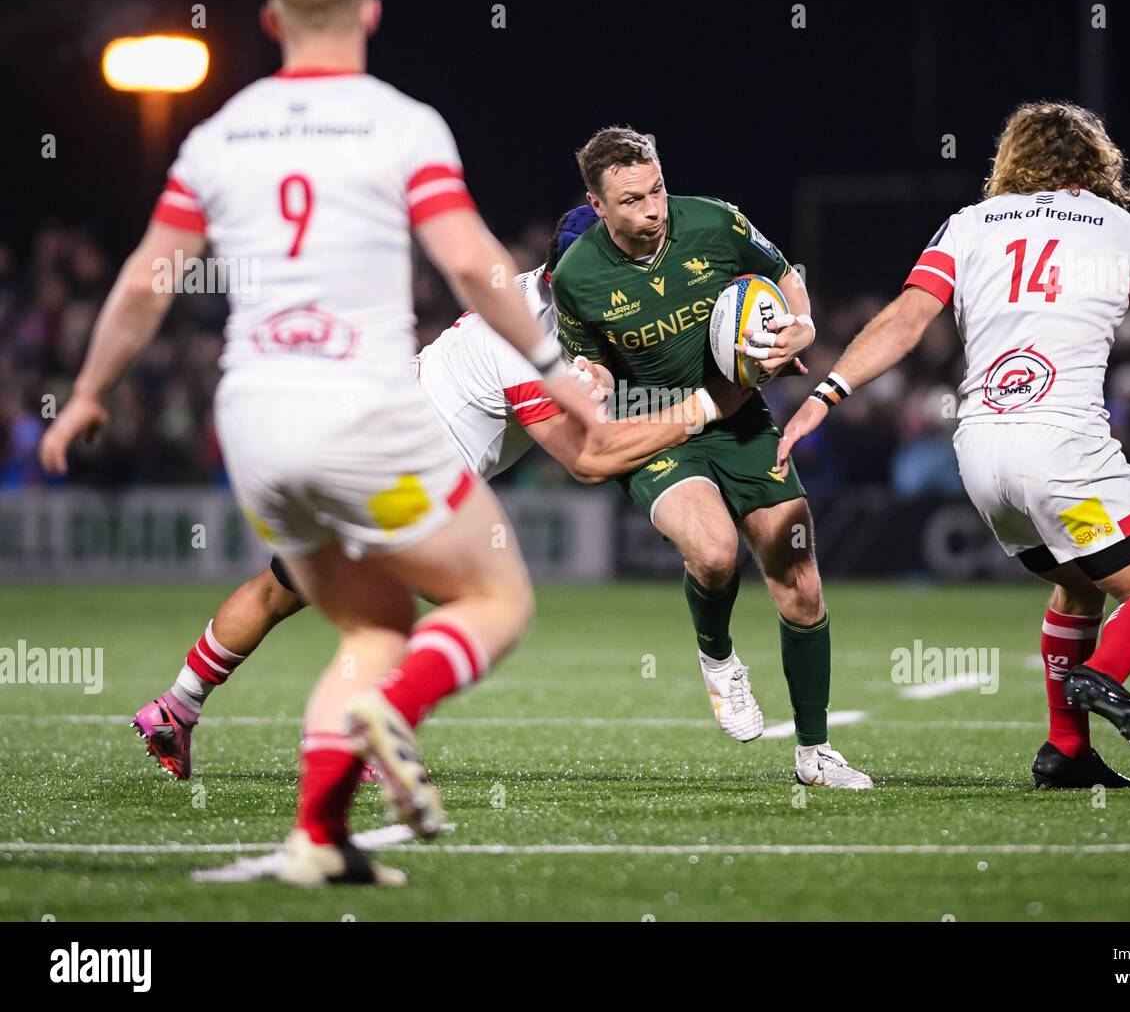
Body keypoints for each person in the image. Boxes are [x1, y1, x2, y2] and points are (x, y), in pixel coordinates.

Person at [40, 0, 602, 886]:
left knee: (372, 620)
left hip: (254, 420)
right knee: (494, 594)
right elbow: (470, 261)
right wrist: (552, 367)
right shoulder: (401, 123)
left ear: (267, 18)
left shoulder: (220, 133)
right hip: (363, 412)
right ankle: (396, 712)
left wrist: (88, 391)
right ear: (371, 12)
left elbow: (146, 275)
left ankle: (317, 836)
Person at [132, 206, 747, 781]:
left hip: (357, 443)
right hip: (405, 471)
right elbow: (587, 460)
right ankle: (365, 729)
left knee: (279, 591)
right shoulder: (533, 339)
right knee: (483, 601)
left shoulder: (547, 298)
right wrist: (711, 403)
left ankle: (176, 708)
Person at [779, 101, 1130, 789]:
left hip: (981, 455)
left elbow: (905, 320)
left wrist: (825, 395)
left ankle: (1066, 751)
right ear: (1098, 163)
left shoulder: (968, 225)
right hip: (1063, 452)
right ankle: (1099, 677)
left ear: (1012, 160)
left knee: (1078, 581)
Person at [550, 126, 872, 790]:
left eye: (658, 188)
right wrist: (593, 378)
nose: (653, 209)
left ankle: (815, 752)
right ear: (598, 203)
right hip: (653, 428)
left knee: (803, 585)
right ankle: (718, 656)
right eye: (633, 199)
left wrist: (799, 327)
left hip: (741, 416)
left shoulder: (717, 221)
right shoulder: (578, 273)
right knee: (716, 551)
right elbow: (591, 362)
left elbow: (786, 279)